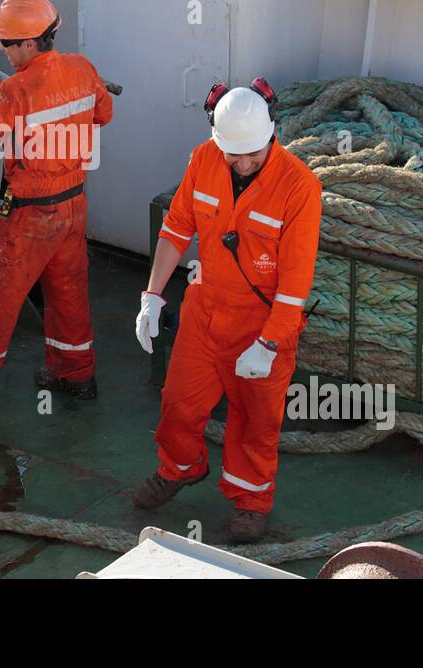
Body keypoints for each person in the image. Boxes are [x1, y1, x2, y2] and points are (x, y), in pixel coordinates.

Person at [132, 80, 322, 542]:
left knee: (255, 421)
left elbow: (296, 286)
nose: (243, 163)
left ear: (272, 135)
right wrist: (152, 296)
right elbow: (176, 229)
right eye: (234, 154)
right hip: (205, 311)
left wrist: (268, 344)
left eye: (252, 154)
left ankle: (251, 503)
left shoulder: (300, 187)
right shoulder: (203, 160)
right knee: (178, 403)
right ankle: (180, 468)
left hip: (264, 324)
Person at [0, 0, 114, 404]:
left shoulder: (12, 93)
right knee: (69, 293)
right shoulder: (83, 69)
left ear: (31, 42)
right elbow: (103, 114)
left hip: (30, 217)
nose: (1, 49)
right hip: (72, 207)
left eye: (8, 42)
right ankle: (75, 375)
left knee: (1, 300)